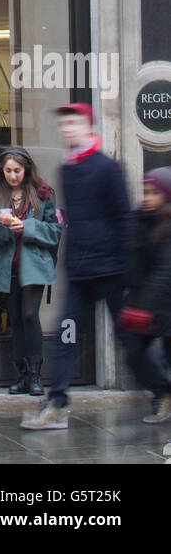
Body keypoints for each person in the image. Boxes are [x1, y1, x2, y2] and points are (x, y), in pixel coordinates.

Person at [21, 103, 131, 430]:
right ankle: (56, 403)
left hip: (110, 270)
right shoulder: (67, 169)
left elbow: (124, 217)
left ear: (88, 126)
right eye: (64, 124)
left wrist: (126, 267)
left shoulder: (107, 167)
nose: (67, 129)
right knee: (65, 337)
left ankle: (160, 390)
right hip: (81, 271)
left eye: (74, 123)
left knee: (130, 340)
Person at [0, 148, 62, 397]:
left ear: (26, 170)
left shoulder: (42, 196)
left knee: (28, 315)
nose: (13, 176)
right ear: (1, 172)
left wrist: (27, 227)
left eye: (17, 170)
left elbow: (55, 232)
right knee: (14, 318)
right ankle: (22, 374)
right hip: (7, 267)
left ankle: (36, 374)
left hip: (33, 265)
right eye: (8, 171)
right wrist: (3, 228)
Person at [117, 167, 171, 424]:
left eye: (154, 192)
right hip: (144, 303)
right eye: (145, 191)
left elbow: (164, 271)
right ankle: (164, 392)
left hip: (163, 305)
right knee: (134, 354)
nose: (148, 197)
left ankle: (164, 399)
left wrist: (144, 307)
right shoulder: (139, 220)